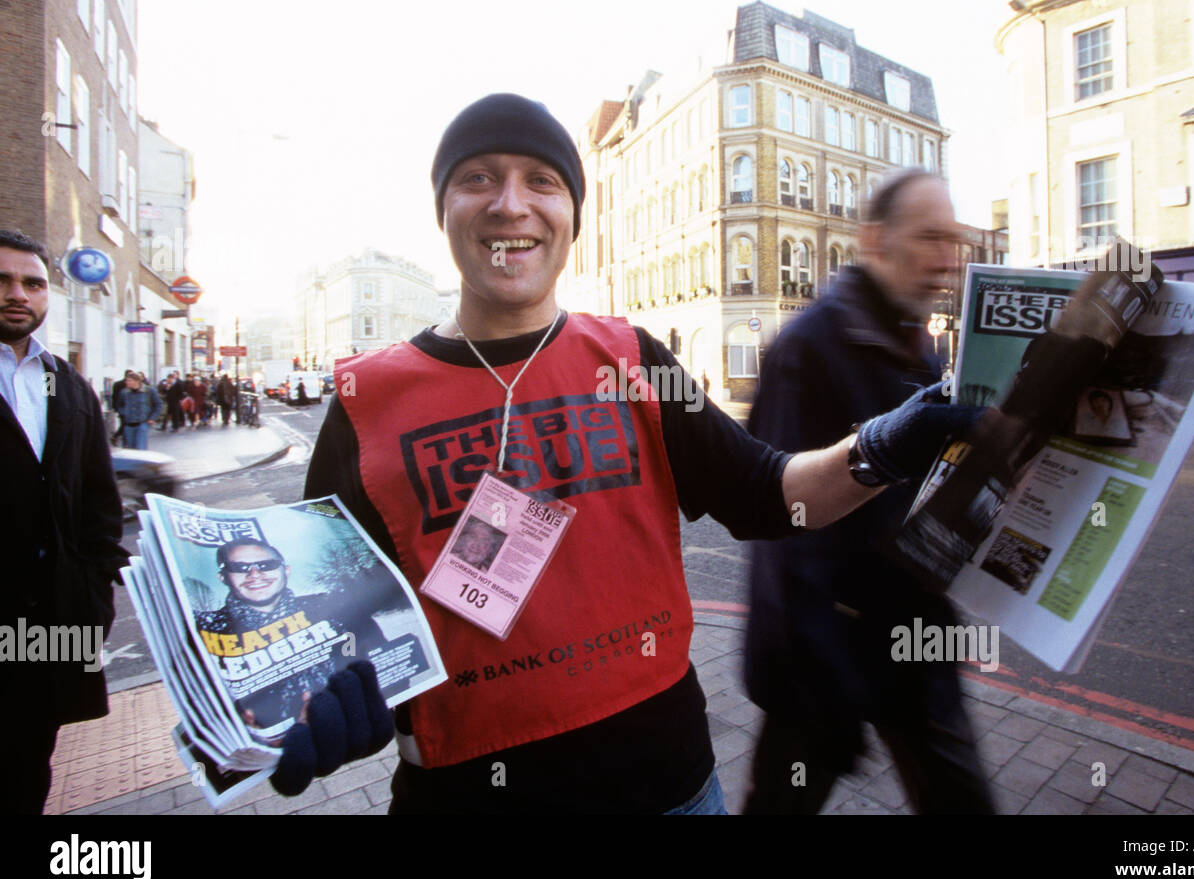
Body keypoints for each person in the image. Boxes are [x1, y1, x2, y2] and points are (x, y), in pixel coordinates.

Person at [298, 95, 980, 814]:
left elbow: (768, 492)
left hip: (668, 789)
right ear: (443, 210)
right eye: (477, 178)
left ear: (572, 218)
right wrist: (309, 711)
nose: (510, 204)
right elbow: (318, 622)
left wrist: (883, 444)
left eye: (542, 181)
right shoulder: (363, 402)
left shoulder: (631, 359)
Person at [742, 168, 996, 814]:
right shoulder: (806, 347)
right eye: (931, 238)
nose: (948, 259)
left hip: (913, 636)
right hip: (821, 651)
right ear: (876, 241)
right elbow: (781, 518)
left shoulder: (922, 348)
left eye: (956, 241)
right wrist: (823, 674)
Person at [0, 229, 127, 814]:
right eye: (3, 280)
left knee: (29, 766)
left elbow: (99, 503)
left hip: (51, 625)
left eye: (32, 283)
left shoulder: (67, 385)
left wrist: (94, 596)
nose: (17, 294)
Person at [196, 538, 383, 732]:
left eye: (266, 565)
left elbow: (376, 655)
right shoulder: (206, 629)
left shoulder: (330, 605)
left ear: (286, 570)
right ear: (223, 577)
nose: (255, 574)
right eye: (240, 567)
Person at [115, 371, 163, 449]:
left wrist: (153, 417)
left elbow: (158, 404)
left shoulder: (149, 391)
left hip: (142, 423)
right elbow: (119, 405)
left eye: (129, 380)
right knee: (130, 449)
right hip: (128, 424)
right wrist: (123, 413)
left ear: (137, 381)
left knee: (140, 448)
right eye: (126, 380)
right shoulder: (124, 392)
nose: (126, 382)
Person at [109, 369, 131, 445]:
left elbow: (114, 397)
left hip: (121, 408)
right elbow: (115, 396)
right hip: (124, 408)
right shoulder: (121, 385)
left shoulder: (117, 384)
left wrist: (115, 407)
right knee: (125, 425)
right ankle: (116, 436)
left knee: (124, 425)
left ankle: (117, 437)